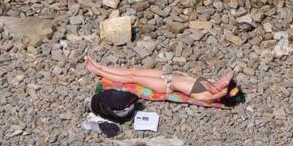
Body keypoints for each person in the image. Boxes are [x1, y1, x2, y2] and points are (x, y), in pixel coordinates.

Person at [84, 55, 239, 103]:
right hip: (168, 74)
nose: (222, 82)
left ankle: (98, 71)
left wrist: (225, 91)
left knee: (132, 77)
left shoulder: (209, 96)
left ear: (224, 93)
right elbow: (230, 73)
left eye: (224, 86)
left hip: (165, 85)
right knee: (133, 70)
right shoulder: (211, 83)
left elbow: (223, 93)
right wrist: (227, 82)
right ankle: (99, 66)